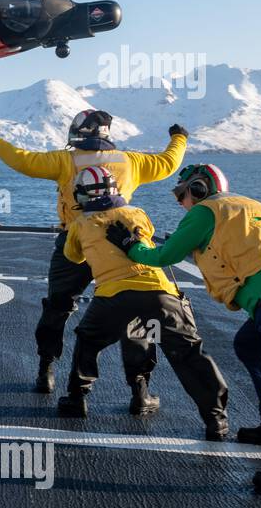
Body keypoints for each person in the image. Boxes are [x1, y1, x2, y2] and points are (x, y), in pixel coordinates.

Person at [108, 163, 261, 496]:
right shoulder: (253, 205)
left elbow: (164, 255)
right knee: (249, 344)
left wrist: (131, 246)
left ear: (198, 189)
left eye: (181, 194)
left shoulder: (204, 212)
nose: (180, 202)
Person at [0, 110, 187, 405]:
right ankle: (140, 392)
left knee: (59, 305)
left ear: (77, 134)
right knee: (136, 308)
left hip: (76, 237)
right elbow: (169, 162)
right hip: (122, 242)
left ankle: (46, 371)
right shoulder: (132, 161)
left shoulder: (66, 160)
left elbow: (22, 160)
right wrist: (179, 138)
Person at [57, 167, 229, 440]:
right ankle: (213, 419)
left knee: (88, 340)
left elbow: (73, 256)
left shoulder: (80, 223)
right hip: (159, 294)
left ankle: (76, 399)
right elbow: (146, 234)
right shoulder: (136, 214)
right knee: (186, 353)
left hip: (112, 296)